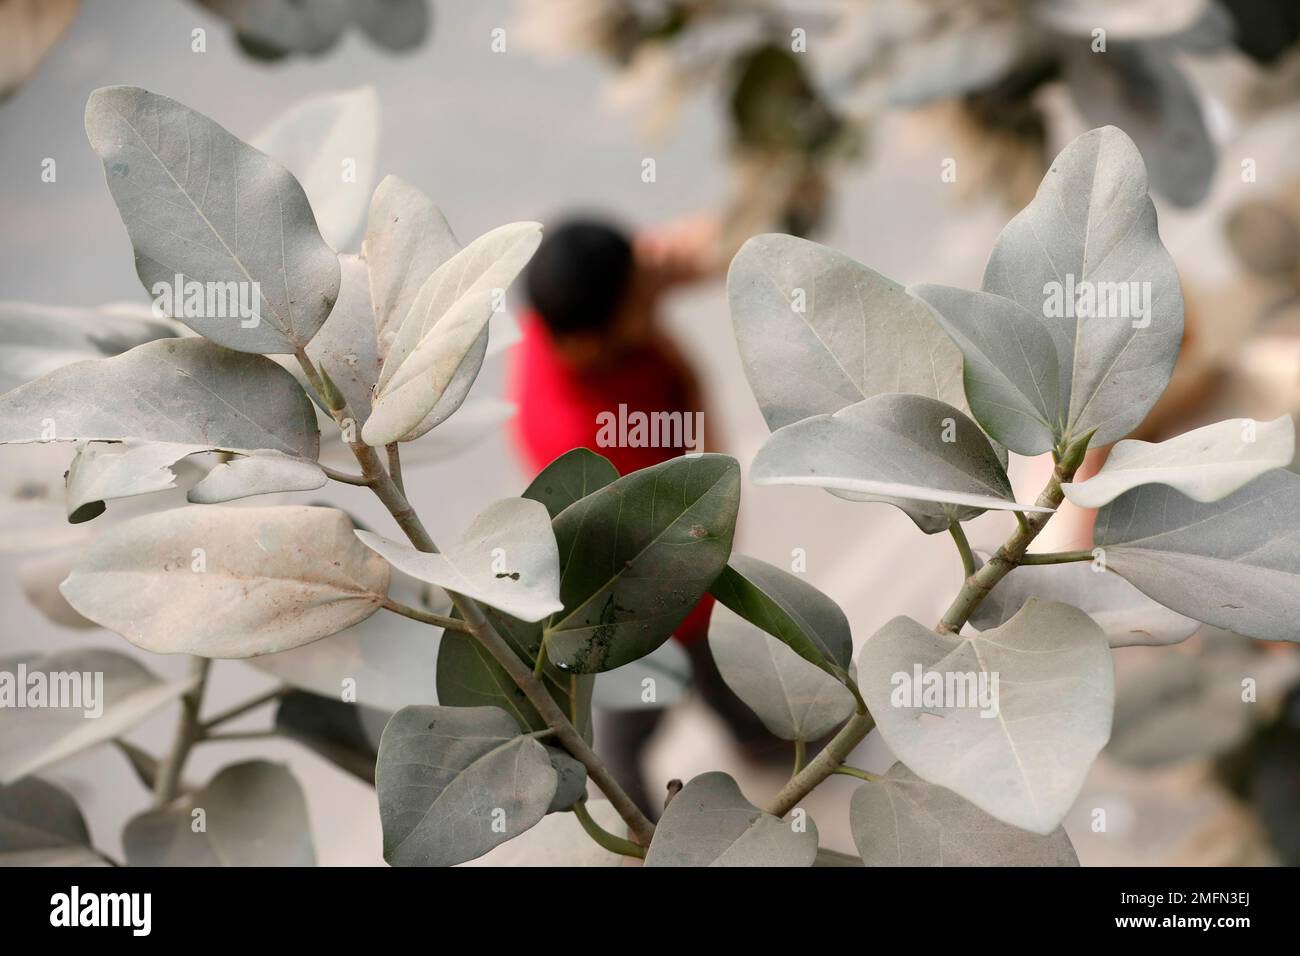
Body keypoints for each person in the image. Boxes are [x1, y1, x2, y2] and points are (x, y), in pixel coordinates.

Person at [508, 215, 773, 816]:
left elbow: (702, 245)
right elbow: (653, 542)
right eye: (639, 299)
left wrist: (710, 257)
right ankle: (638, 833)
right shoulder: (581, 434)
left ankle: (756, 738)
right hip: (645, 585)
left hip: (686, 552)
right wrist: (701, 582)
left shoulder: (578, 310)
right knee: (630, 724)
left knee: (720, 675)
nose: (649, 300)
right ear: (589, 342)